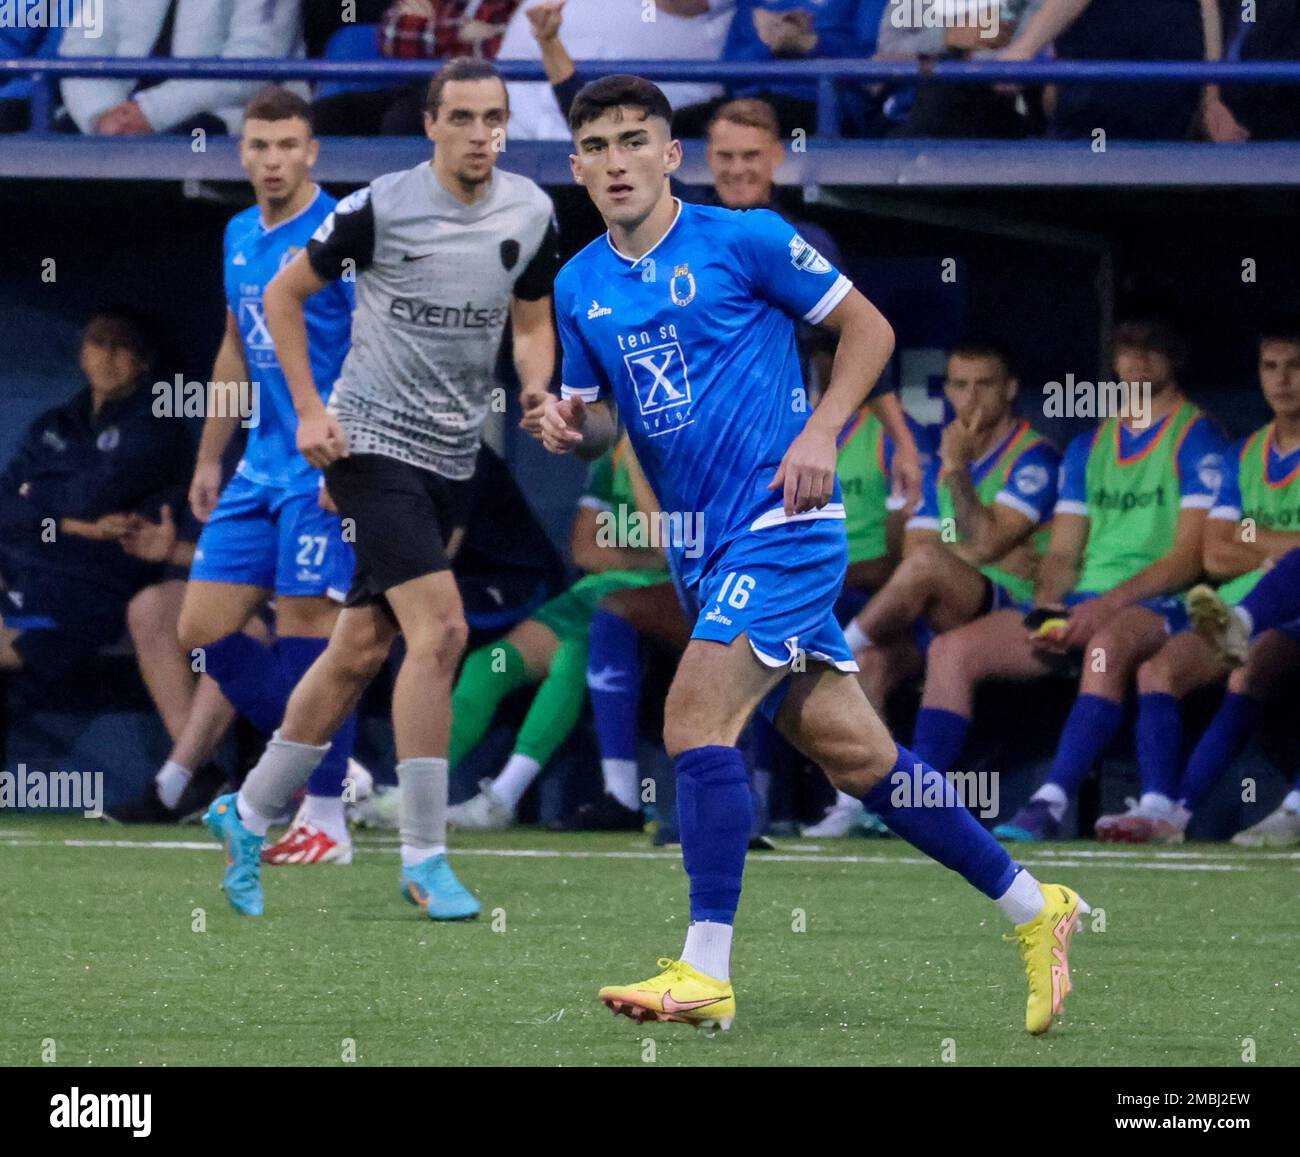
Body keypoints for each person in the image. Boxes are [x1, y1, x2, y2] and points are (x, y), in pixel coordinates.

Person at [538, 73, 1087, 1036]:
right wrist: (564, 422)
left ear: (672, 156)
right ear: (576, 164)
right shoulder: (578, 282)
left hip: (784, 525)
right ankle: (1036, 906)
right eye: (597, 146)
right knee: (859, 755)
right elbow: (598, 425)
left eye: (635, 141)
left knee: (694, 718)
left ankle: (706, 968)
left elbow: (867, 327)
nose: (616, 160)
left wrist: (825, 430)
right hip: (701, 550)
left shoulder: (741, 239)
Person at [204, 59, 560, 920]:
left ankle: (248, 810)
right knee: (440, 633)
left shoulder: (532, 209)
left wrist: (540, 389)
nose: (482, 134)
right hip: (368, 447)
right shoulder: (378, 208)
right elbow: (285, 299)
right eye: (465, 117)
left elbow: (533, 320)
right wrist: (310, 413)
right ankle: (424, 856)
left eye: (495, 118)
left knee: (357, 648)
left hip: (452, 456)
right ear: (431, 125)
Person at [108, 89, 363, 856]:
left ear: (312, 151)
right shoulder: (239, 232)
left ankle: (327, 817)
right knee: (202, 627)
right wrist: (210, 455)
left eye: (288, 144)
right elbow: (233, 345)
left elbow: (371, 345)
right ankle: (327, 762)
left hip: (325, 462)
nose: (274, 158)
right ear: (243, 152)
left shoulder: (341, 232)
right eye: (259, 145)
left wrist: (346, 450)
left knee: (306, 628)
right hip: (257, 464)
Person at [913, 320, 1229, 841]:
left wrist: (1102, 607)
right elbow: (1061, 551)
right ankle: (918, 800)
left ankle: (1050, 801)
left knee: (1104, 646)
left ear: (1175, 358)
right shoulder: (1089, 446)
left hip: (1160, 603)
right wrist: (1048, 609)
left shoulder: (1196, 436)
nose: (1138, 360)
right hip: (1082, 604)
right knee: (951, 650)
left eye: (1153, 348)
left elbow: (1187, 559)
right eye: (1129, 348)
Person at [807, 340, 1060, 837]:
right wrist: (961, 555)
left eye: (984, 384)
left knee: (922, 571)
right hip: (938, 608)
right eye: (960, 385)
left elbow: (979, 543)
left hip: (1002, 606)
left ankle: (841, 646)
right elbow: (923, 548)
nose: (970, 398)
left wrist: (960, 475)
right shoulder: (936, 456)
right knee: (872, 666)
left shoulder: (1034, 456)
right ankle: (859, 803)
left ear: (1009, 390)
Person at [1094, 322, 1300, 844]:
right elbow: (1215, 549)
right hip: (1243, 598)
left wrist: (1259, 547)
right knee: (1159, 670)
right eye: (1271, 367)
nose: (1283, 380)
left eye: (1295, 366)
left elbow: (1235, 543)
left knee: (1250, 665)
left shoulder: (1199, 433)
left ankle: (1287, 807)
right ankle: (1162, 807)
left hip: (1281, 616)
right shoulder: (1247, 453)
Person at [448, 435, 667, 829]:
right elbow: (585, 549)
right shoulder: (613, 457)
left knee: (573, 654)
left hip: (657, 600)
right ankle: (410, 793)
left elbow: (680, 549)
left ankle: (503, 797)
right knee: (488, 666)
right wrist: (651, 556)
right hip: (589, 596)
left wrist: (652, 559)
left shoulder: (695, 451)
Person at [0, 310, 193, 698]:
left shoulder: (158, 426)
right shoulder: (54, 422)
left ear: (142, 361)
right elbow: (5, 500)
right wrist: (67, 523)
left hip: (88, 584)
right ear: (82, 353)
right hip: (20, 566)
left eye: (121, 346)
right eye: (98, 343)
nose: (107, 356)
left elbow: (89, 497)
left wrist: (35, 493)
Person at [57, 0, 306, 137]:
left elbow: (252, 66)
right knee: (52, 144)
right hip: (115, 115)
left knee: (186, 140)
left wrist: (151, 112)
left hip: (219, 112)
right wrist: (102, 113)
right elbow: (83, 45)